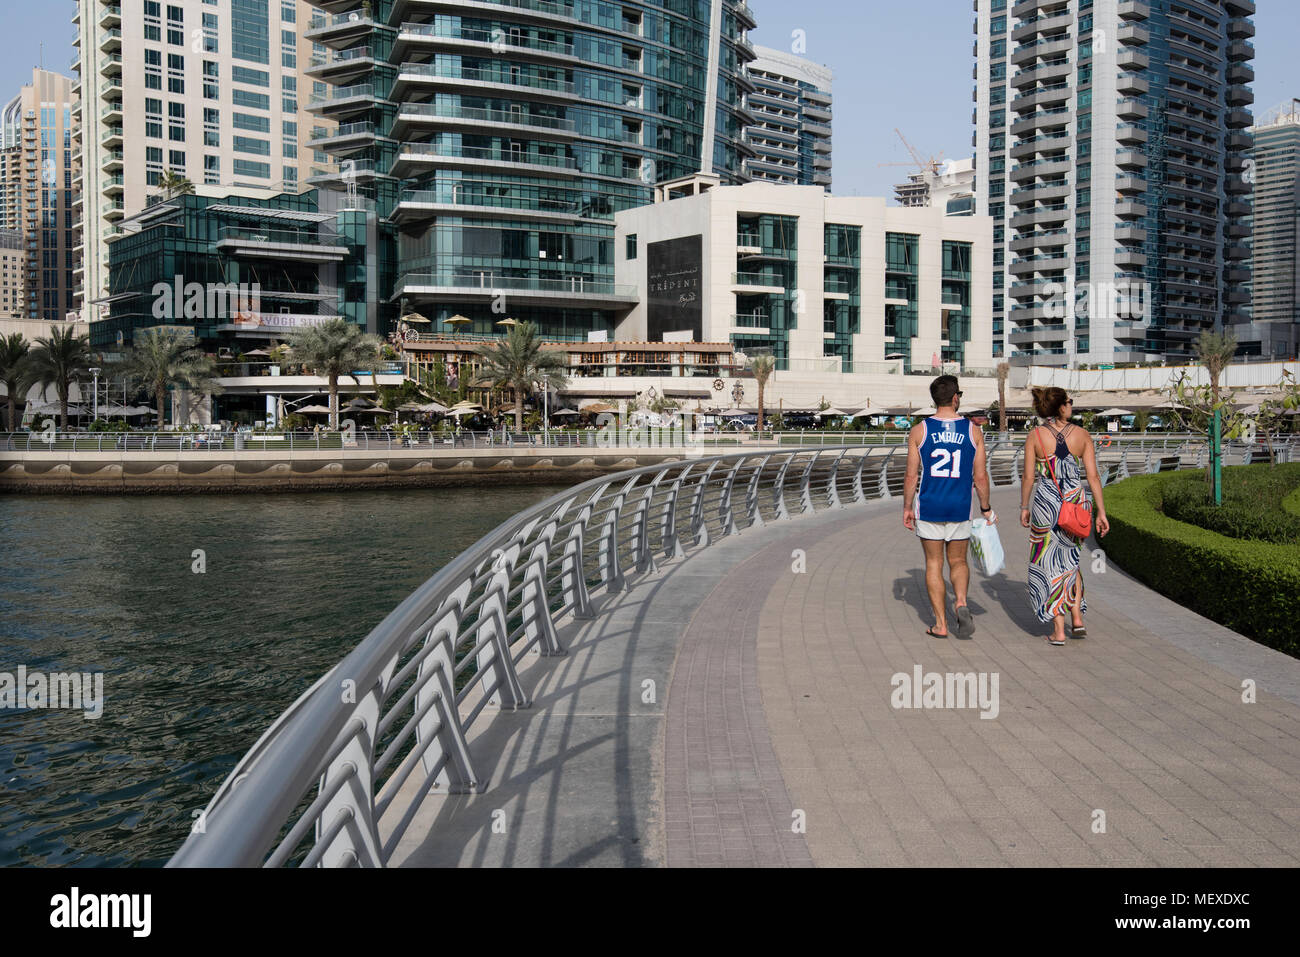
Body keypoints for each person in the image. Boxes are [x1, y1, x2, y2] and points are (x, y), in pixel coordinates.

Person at [903, 375, 995, 640]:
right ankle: (962, 602)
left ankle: (941, 625)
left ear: (935, 399)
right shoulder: (972, 431)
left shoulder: (920, 430)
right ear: (956, 398)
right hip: (960, 506)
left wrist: (907, 507)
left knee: (934, 563)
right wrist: (986, 508)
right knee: (958, 561)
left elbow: (911, 476)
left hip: (930, 506)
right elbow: (980, 477)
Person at [1019, 387, 1110, 646]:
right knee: (1070, 561)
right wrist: (1101, 511)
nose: (1072, 406)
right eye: (1070, 402)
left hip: (1047, 503)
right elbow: (1092, 477)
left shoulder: (1035, 436)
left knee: (1049, 564)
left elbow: (1028, 477)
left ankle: (1058, 631)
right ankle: (1077, 620)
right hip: (1075, 503)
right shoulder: (1082, 435)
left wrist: (1024, 506)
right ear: (1061, 406)